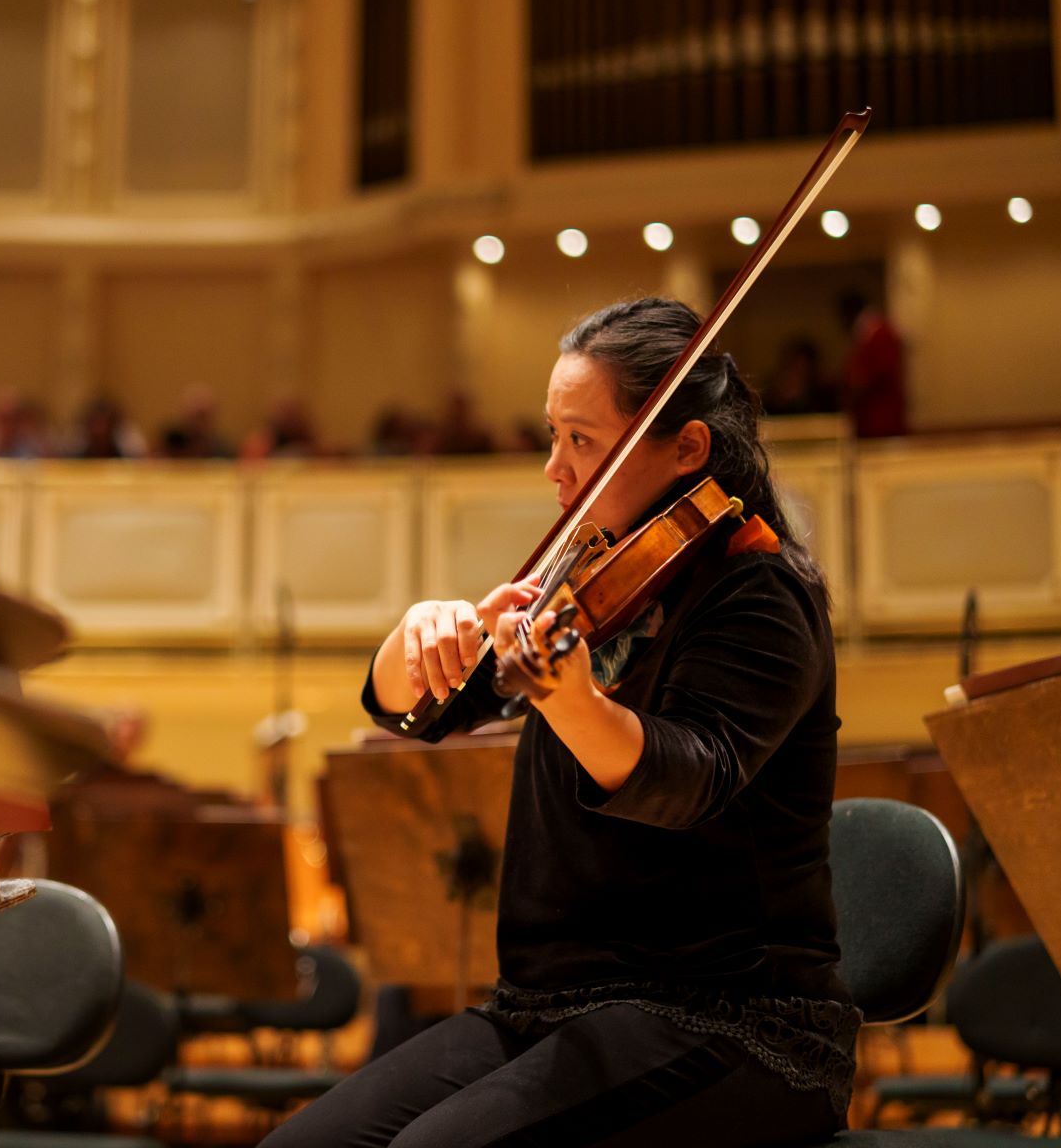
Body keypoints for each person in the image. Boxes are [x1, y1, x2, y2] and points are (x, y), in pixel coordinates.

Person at [265, 297, 856, 1148]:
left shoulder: (760, 592)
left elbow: (689, 778)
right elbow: (417, 711)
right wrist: (419, 634)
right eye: (553, 435)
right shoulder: (594, 572)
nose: (554, 467)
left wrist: (573, 700)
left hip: (735, 1021)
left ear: (688, 448)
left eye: (582, 440)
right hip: (546, 1006)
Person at [837, 290, 906, 438]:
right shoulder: (867, 334)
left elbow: (871, 376)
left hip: (880, 421)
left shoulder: (878, 334)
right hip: (873, 420)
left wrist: (851, 391)